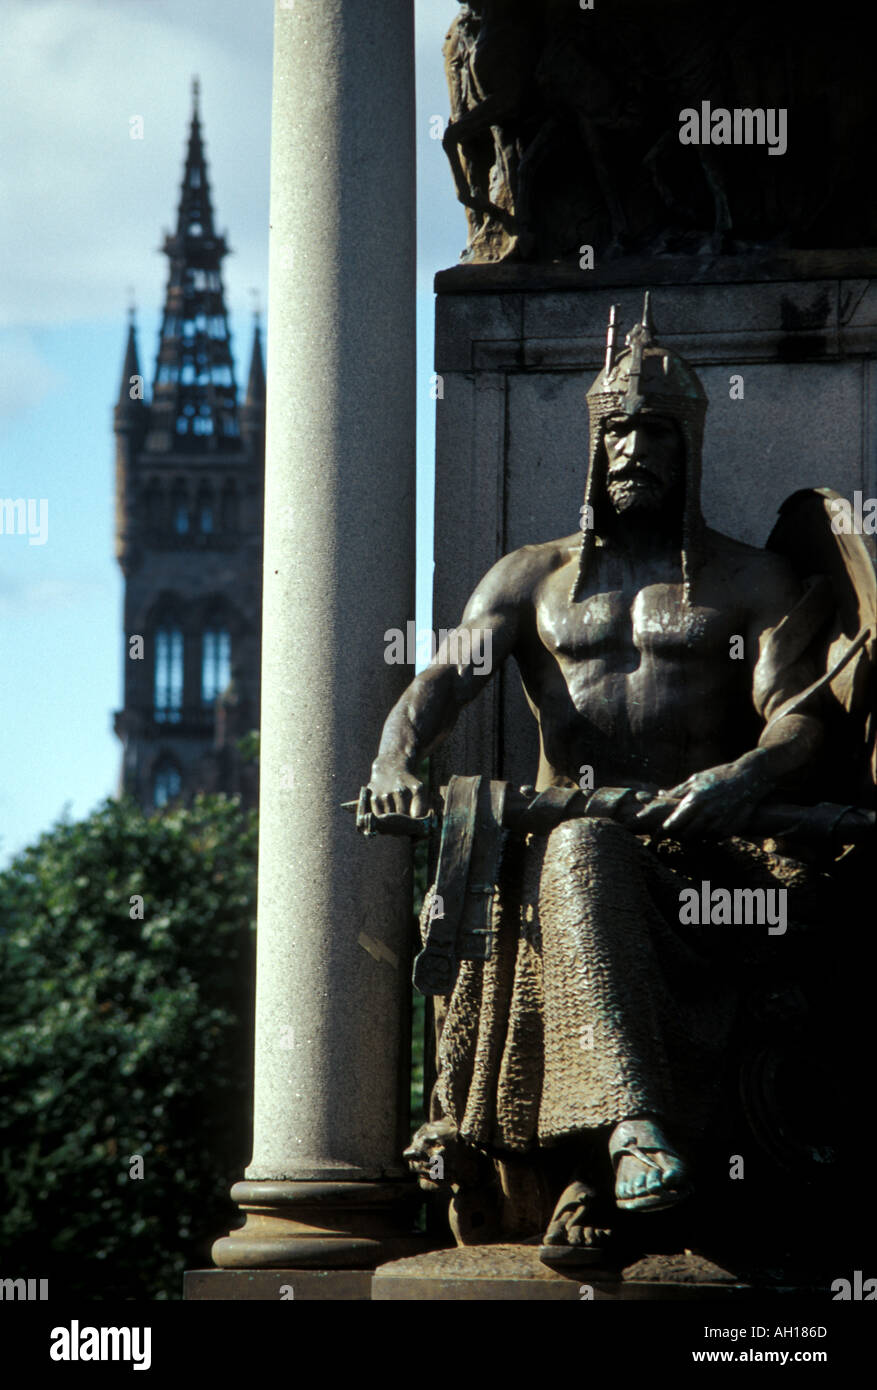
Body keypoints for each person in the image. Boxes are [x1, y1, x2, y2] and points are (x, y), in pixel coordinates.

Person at [367, 295, 826, 1255]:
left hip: (706, 864)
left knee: (591, 857)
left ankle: (616, 1153)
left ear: (688, 445)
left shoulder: (752, 583)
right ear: (591, 446)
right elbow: (440, 684)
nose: (633, 452)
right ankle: (628, 1135)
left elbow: (802, 717)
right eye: (616, 431)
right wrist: (396, 760)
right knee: (579, 853)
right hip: (565, 856)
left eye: (655, 432)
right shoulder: (526, 578)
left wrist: (744, 774)